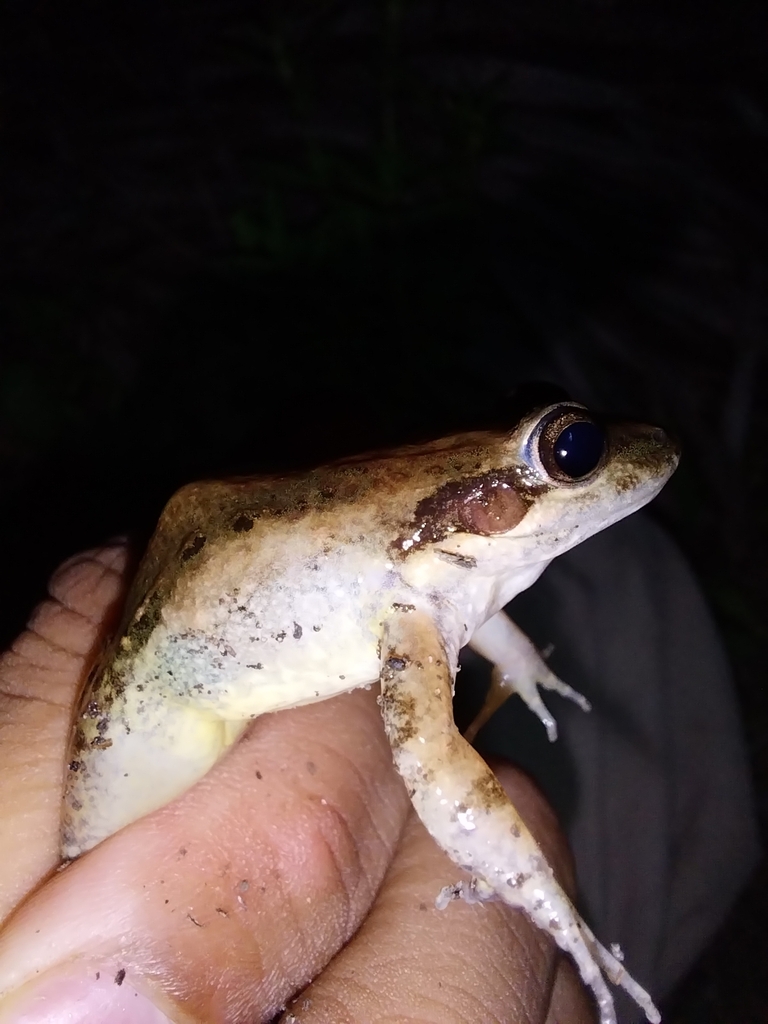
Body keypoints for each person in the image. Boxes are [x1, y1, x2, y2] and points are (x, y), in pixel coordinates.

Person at [0, 516, 758, 1023]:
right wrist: (549, 903)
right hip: (138, 718)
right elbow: (433, 760)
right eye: (567, 457)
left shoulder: (431, 589)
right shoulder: (409, 601)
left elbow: (471, 598)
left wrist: (523, 665)